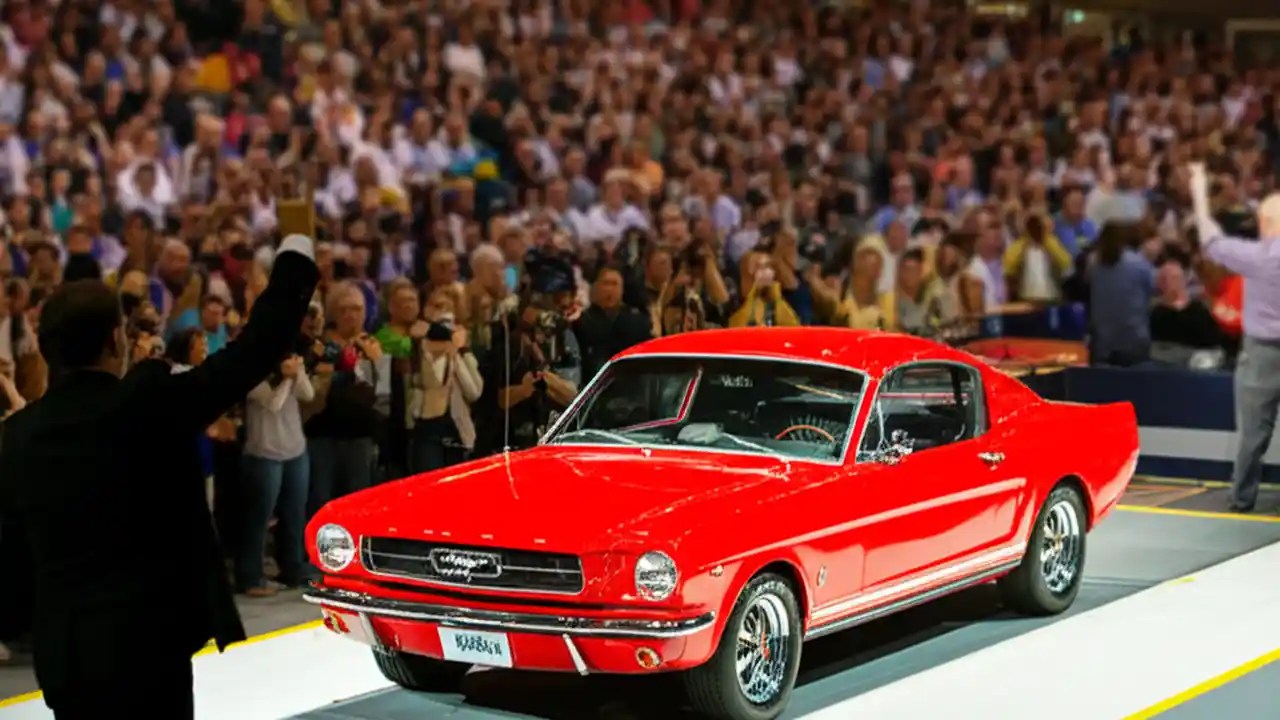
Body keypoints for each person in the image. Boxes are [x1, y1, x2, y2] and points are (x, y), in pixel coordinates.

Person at [0, 235, 319, 719]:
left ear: (45, 350)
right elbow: (255, 351)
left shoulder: (17, 436)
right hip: (149, 643)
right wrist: (295, 257)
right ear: (116, 340)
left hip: (67, 653)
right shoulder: (149, 402)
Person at [1190, 162, 1280, 513]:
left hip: (1260, 357)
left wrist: (1199, 191)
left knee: (1252, 436)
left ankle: (1242, 500)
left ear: (1265, 225)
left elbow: (1209, 240)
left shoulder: (1257, 257)